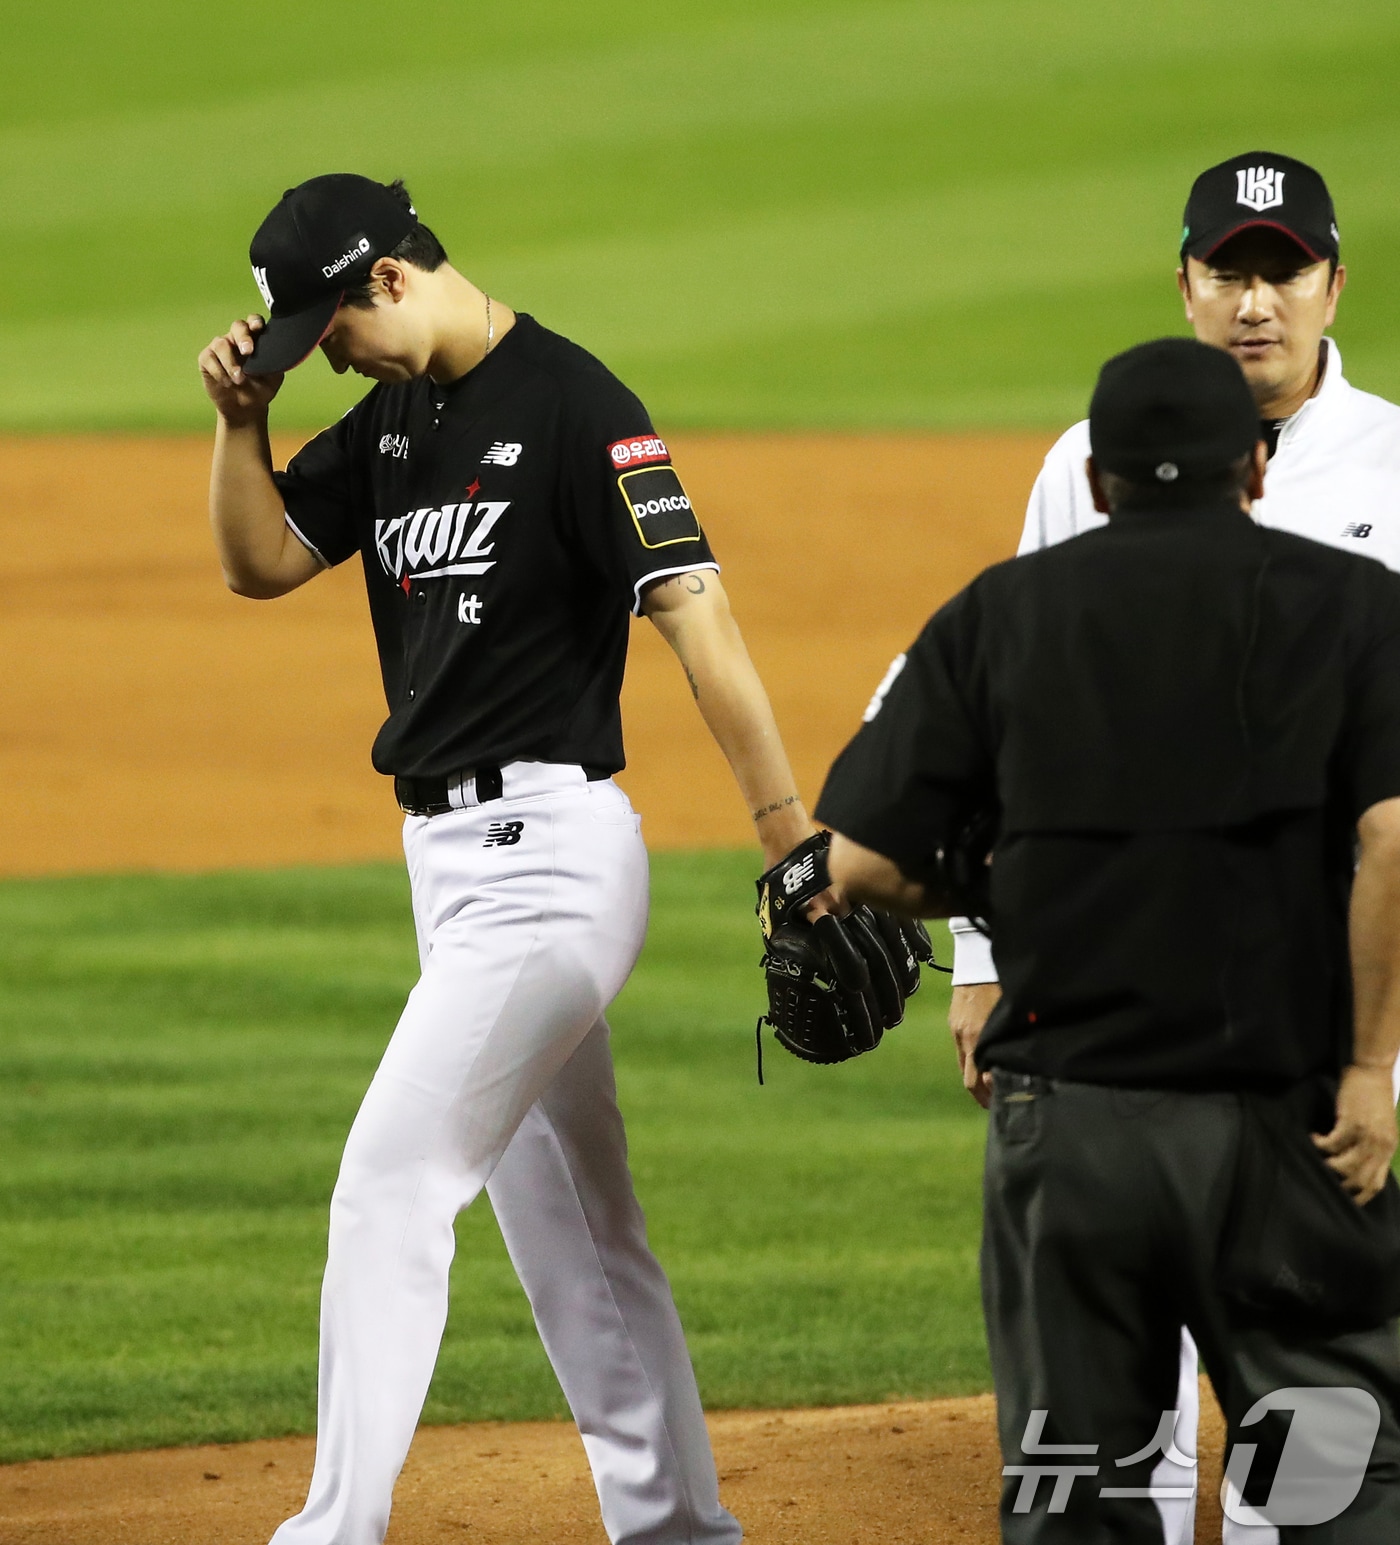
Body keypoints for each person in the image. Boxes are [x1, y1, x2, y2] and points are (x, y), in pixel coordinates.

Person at [196, 172, 831, 1545]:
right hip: (453, 872)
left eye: (330, 331)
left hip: (551, 869)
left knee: (388, 1188)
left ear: (389, 278)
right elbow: (259, 562)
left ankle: (331, 1532)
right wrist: (243, 425)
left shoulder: (577, 405)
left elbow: (698, 616)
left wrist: (787, 836)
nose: (327, 359)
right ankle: (680, 1528)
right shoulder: (392, 419)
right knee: (581, 1241)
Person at [816, 337, 1400, 1542]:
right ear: (1252, 468)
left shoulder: (997, 614)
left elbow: (860, 864)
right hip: (1282, 1134)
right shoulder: (1353, 604)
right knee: (1333, 1492)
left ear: (1095, 480)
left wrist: (1004, 893)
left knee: (1076, 1492)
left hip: (1071, 1130)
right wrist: (1365, 1070)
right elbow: (1390, 838)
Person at [947, 150, 1400, 1543]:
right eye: (1228, 271)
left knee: (1303, 1410)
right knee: (1123, 1412)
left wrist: (1376, 1055)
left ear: (1332, 286)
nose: (1255, 302)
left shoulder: (1395, 461)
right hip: (1124, 987)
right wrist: (977, 959)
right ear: (1186, 285)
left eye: (1282, 273)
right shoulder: (1076, 466)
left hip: (1343, 984)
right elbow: (1006, 733)